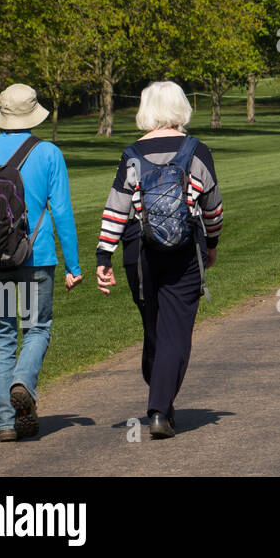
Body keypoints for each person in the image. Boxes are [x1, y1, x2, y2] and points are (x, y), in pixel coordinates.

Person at [95, 81, 223, 439]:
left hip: (139, 250)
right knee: (176, 332)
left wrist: (104, 254)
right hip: (184, 248)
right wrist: (211, 244)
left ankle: (160, 398)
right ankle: (159, 410)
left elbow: (116, 209)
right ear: (181, 108)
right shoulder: (197, 150)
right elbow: (212, 207)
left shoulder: (132, 154)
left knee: (154, 329)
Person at [0, 84, 82, 441]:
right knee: (38, 327)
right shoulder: (48, 153)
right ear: (33, 113)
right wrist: (73, 267)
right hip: (36, 258)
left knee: (2, 336)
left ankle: (6, 423)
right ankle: (22, 383)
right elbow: (61, 212)